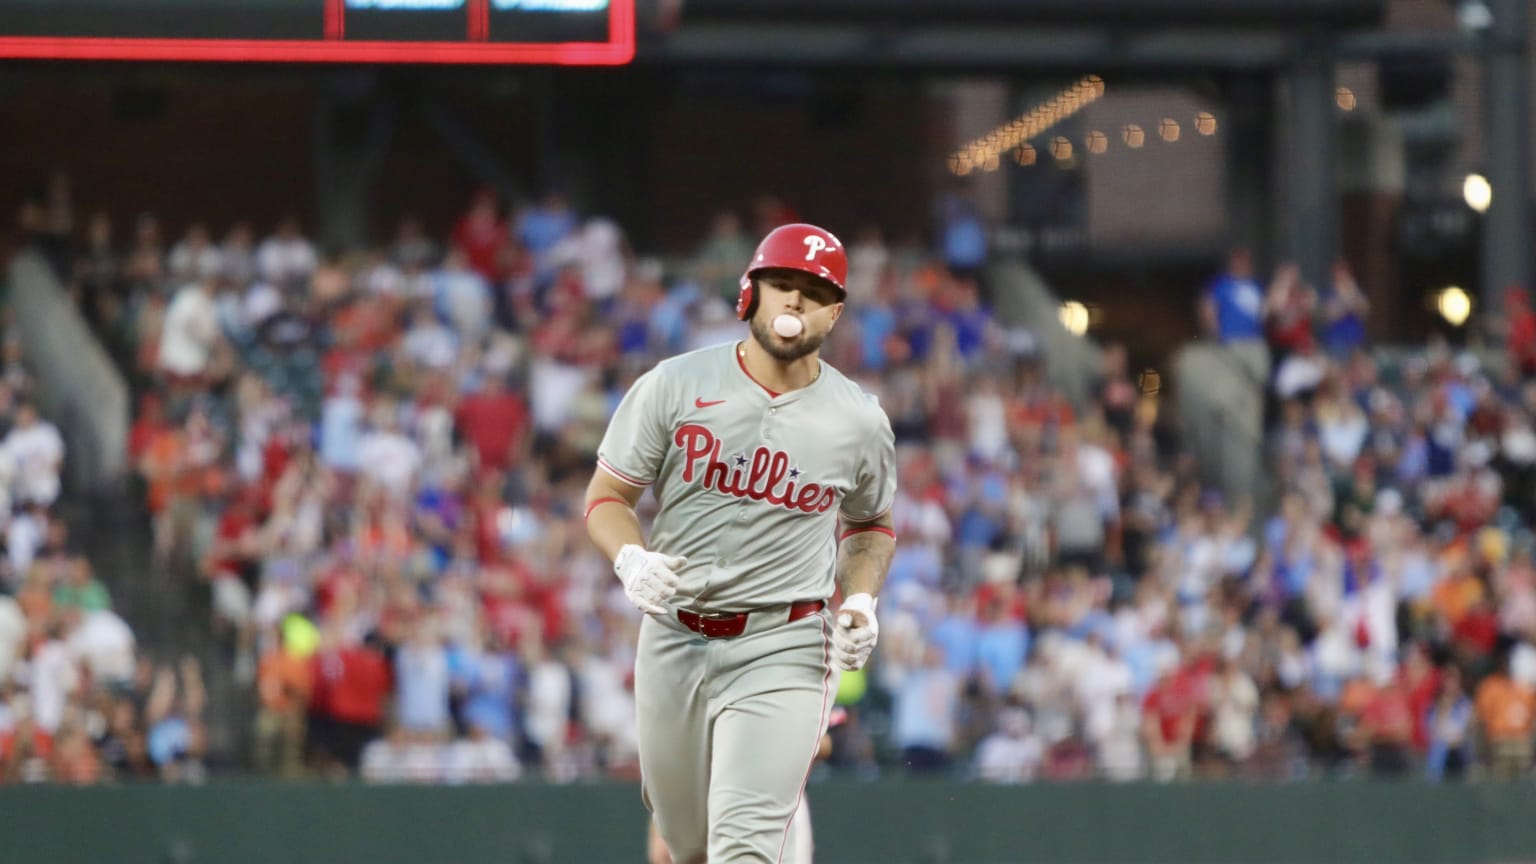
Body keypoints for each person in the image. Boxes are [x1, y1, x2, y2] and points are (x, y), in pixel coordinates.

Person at [585, 223, 897, 864]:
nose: (795, 301)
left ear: (834, 313)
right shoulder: (674, 383)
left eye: (815, 291)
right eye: (782, 283)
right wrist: (629, 556)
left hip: (784, 639)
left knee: (744, 847)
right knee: (685, 842)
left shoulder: (859, 418)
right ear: (750, 291)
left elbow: (871, 525)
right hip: (673, 635)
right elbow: (607, 496)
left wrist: (862, 599)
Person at [647, 707, 847, 864]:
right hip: (703, 787)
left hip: (776, 794)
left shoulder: (788, 681)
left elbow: (830, 742)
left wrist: (772, 739)